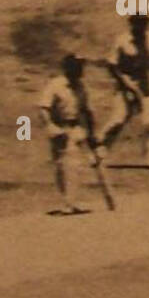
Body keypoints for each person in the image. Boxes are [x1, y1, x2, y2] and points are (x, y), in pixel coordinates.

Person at [99, 14, 149, 169]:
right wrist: (126, 84)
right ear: (131, 24)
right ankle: (100, 150)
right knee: (118, 119)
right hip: (125, 87)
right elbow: (111, 65)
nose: (142, 27)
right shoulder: (122, 41)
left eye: (144, 23)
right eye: (138, 23)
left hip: (144, 87)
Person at [38, 53, 98, 215]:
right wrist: (50, 125)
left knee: (74, 166)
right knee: (62, 167)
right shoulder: (55, 85)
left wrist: (92, 135)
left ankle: (71, 203)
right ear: (67, 67)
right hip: (60, 129)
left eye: (81, 66)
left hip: (76, 129)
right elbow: (44, 107)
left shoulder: (82, 87)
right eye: (76, 66)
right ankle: (68, 202)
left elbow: (87, 111)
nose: (80, 70)